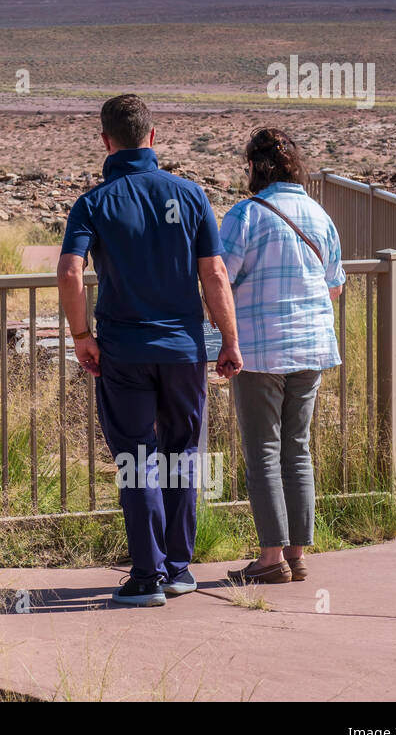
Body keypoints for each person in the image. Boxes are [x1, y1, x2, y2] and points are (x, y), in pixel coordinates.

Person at [58, 95, 242, 607]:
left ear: (105, 140)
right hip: (184, 350)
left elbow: (71, 271)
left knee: (137, 457)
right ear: (153, 137)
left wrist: (81, 336)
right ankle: (180, 570)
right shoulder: (189, 195)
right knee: (182, 453)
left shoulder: (94, 202)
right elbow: (215, 273)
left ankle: (146, 576)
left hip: (123, 351)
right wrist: (228, 339)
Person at [219, 127, 344, 585]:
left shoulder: (245, 215)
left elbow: (219, 281)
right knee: (298, 450)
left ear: (256, 166)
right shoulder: (318, 214)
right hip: (311, 348)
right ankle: (297, 554)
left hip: (259, 349)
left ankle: (270, 559)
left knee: (263, 452)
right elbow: (334, 285)